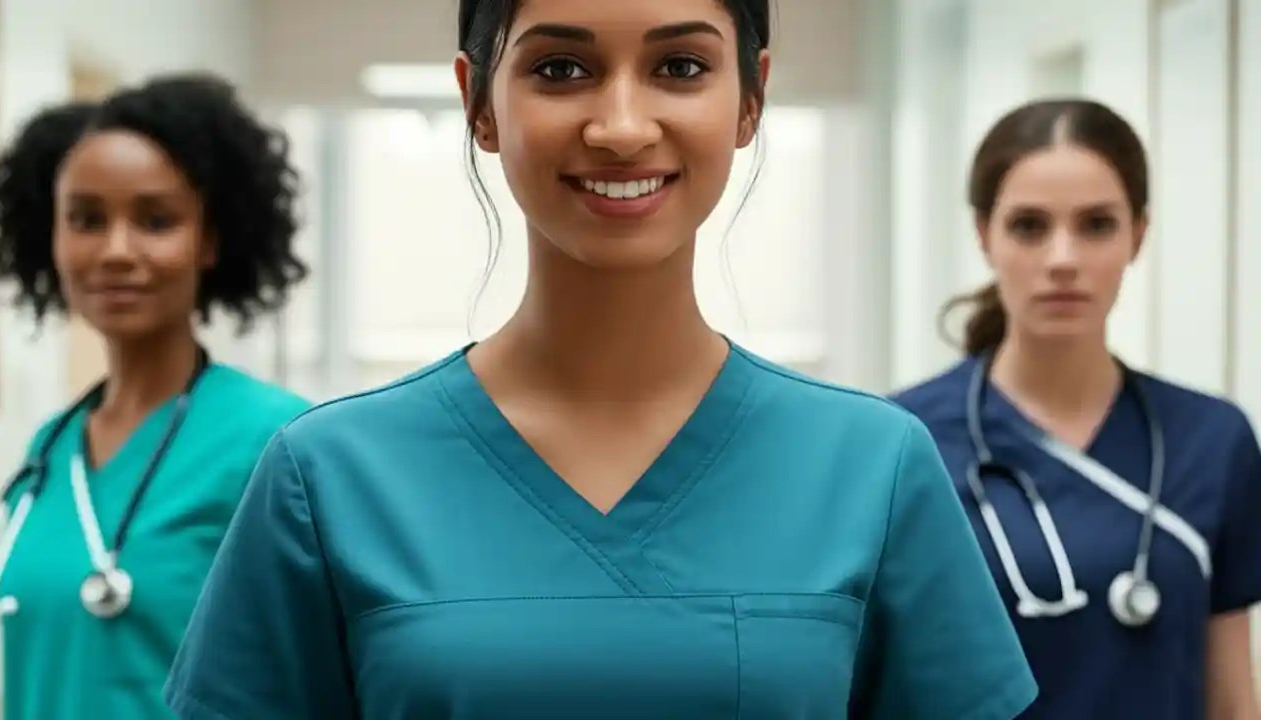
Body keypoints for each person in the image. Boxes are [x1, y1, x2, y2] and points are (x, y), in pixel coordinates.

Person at [162, 1, 1037, 718]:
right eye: (560, 70)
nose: (621, 127)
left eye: (681, 68)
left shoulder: (873, 468)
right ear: (478, 104)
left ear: (750, 99)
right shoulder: (329, 479)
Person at [892, 98, 1261, 719]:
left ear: (1137, 236)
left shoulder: (1212, 440)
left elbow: (1232, 698)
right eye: (1029, 226)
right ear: (984, 235)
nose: (1062, 259)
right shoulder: (906, 443)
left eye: (1096, 225)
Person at [0, 74, 311, 720]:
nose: (116, 251)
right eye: (85, 220)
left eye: (155, 221)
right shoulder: (48, 451)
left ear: (210, 240)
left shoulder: (279, 444)